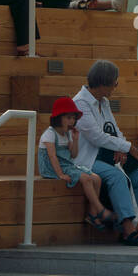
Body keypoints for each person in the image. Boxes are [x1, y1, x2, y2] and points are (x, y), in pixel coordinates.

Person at [73, 60, 138, 246]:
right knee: (117, 176)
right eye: (115, 83)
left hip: (106, 155)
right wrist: (127, 147)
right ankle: (128, 230)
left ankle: (133, 225)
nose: (116, 87)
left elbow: (114, 130)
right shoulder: (79, 103)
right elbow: (96, 137)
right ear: (103, 83)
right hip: (86, 158)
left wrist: (122, 146)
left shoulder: (104, 102)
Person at [38, 96, 115, 229]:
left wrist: (75, 139)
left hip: (67, 165)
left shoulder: (67, 134)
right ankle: (101, 210)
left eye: (73, 118)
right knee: (86, 179)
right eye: (68, 118)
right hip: (52, 168)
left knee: (96, 178)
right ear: (58, 118)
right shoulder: (49, 134)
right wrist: (60, 174)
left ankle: (92, 214)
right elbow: (52, 157)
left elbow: (73, 154)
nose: (72, 121)